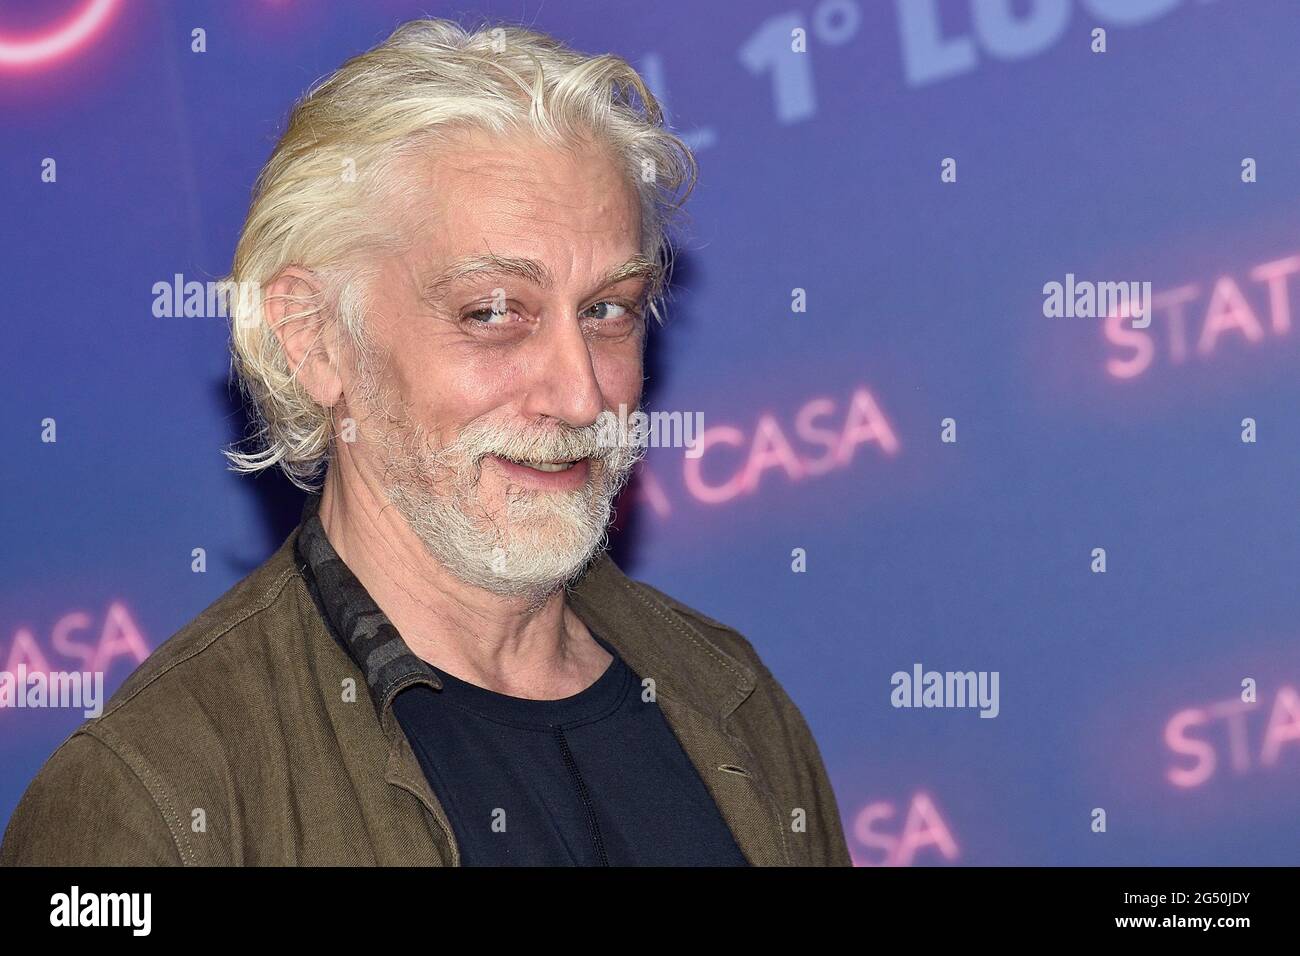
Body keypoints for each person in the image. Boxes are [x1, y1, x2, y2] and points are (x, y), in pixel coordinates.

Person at [1, 17, 851, 867]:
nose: (581, 393)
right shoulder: (156, 798)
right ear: (315, 338)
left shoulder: (730, 697)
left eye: (607, 311)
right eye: (491, 313)